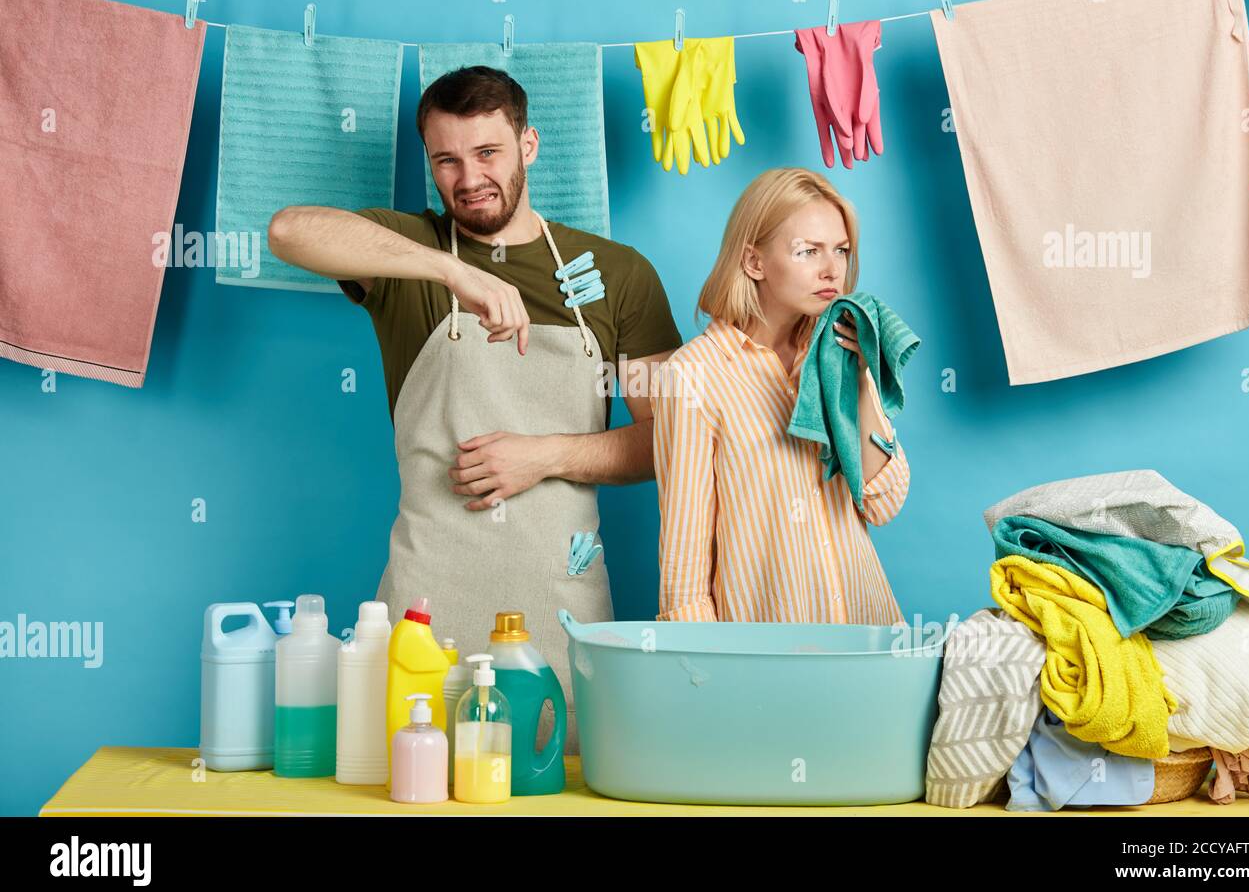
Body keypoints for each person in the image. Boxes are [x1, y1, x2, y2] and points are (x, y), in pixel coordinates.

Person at [268, 66, 682, 752]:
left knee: (555, 779)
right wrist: (454, 272)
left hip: (559, 607)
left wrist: (544, 455)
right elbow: (288, 230)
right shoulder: (410, 255)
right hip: (427, 609)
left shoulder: (618, 274)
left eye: (487, 152)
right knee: (409, 775)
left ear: (529, 145)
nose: (468, 178)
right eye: (446, 160)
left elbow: (669, 443)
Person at [653, 168, 908, 623]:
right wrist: (702, 677)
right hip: (769, 659)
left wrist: (863, 381)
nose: (832, 270)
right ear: (754, 262)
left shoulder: (838, 352)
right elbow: (684, 576)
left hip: (870, 636)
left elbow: (882, 503)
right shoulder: (694, 377)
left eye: (841, 251)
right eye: (808, 251)